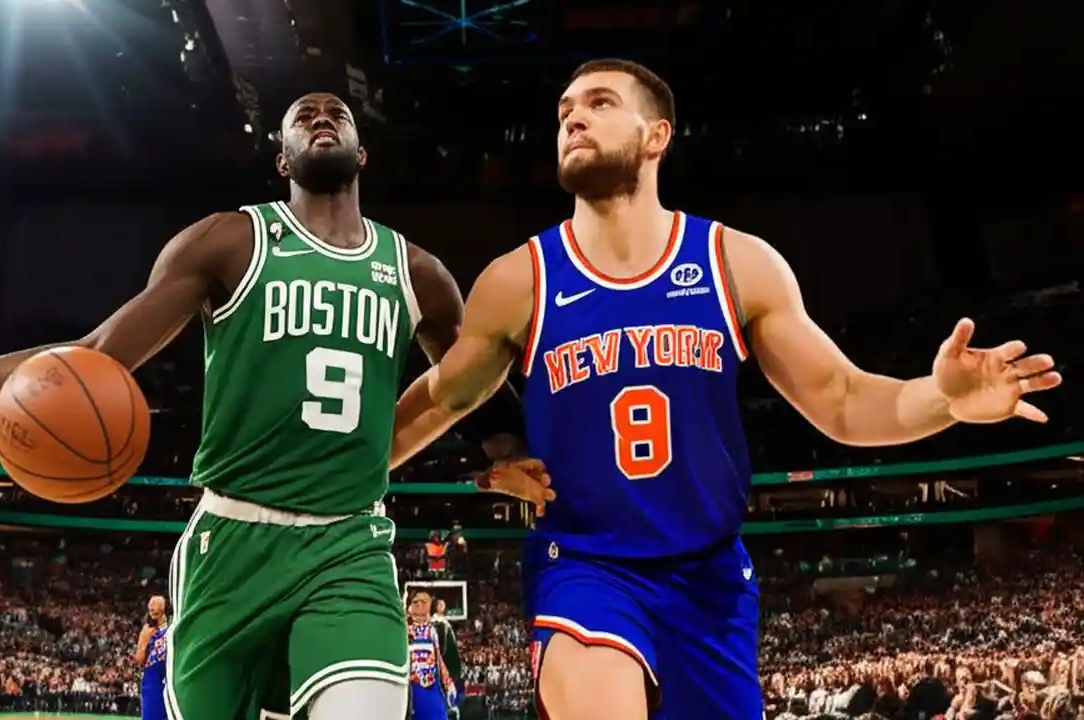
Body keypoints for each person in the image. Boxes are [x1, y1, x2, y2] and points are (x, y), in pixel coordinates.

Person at [389, 58, 1062, 720]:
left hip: (707, 577)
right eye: (565, 112)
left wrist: (943, 399)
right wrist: (325, 479)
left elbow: (844, 401)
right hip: (585, 562)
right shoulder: (521, 279)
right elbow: (444, 397)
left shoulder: (736, 263)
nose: (574, 119)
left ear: (656, 136)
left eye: (598, 104)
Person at [0, 92, 509, 720]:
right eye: (303, 116)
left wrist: (514, 452)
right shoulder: (230, 241)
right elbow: (91, 355)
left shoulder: (416, 272)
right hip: (231, 543)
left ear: (363, 150)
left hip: (349, 543)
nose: (321, 118)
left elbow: (474, 381)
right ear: (281, 158)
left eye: (338, 115)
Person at [406, 591, 454, 720]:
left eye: (423, 603)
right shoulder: (406, 630)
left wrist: (448, 682)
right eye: (416, 603)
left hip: (432, 685)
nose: (419, 606)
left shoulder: (432, 631)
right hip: (412, 687)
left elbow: (438, 658)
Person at [135, 595, 170, 720]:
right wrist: (145, 642)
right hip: (151, 681)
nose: (152, 610)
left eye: (155, 607)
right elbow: (139, 660)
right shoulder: (147, 630)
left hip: (170, 679)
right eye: (150, 608)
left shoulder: (172, 629)